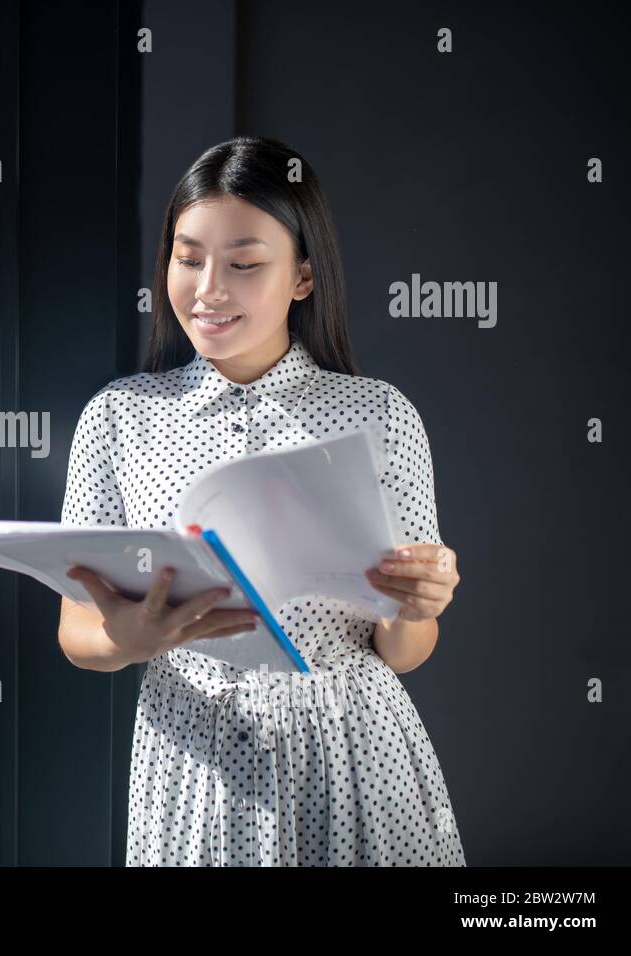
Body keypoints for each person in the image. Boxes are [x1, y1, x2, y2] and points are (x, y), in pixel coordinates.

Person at [57, 136, 465, 866]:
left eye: (244, 264)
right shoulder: (119, 417)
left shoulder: (377, 415)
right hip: (191, 749)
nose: (209, 289)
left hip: (353, 750)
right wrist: (131, 639)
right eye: (188, 259)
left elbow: (403, 652)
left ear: (304, 276)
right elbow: (77, 633)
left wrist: (418, 607)